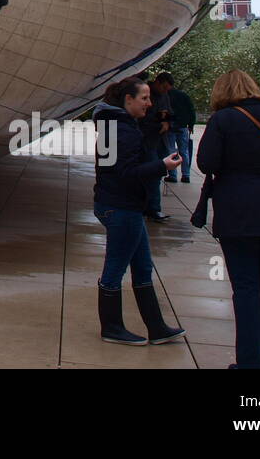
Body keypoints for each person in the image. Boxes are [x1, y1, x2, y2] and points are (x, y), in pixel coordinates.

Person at [197, 69, 260, 370]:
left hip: (238, 211)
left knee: (246, 289)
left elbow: (206, 162)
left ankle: (249, 362)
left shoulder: (223, 121)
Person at [91, 77, 185, 345]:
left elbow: (111, 170)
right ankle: (112, 327)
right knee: (115, 269)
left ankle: (156, 327)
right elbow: (124, 173)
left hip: (121, 205)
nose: (149, 103)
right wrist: (162, 166)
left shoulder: (114, 125)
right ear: (127, 100)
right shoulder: (123, 129)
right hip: (121, 207)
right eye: (144, 98)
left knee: (143, 267)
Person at [136, 70, 172, 222]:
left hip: (158, 140)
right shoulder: (145, 92)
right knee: (152, 174)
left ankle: (149, 207)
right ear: (157, 82)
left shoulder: (164, 96)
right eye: (164, 88)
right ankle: (152, 208)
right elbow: (142, 117)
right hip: (147, 139)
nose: (165, 91)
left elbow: (169, 112)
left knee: (154, 174)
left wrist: (167, 121)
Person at [153, 72, 195, 183]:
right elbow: (191, 110)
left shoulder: (165, 95)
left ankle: (173, 174)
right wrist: (191, 124)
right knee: (184, 151)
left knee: (170, 150)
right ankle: (186, 174)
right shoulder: (183, 95)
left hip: (170, 126)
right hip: (182, 126)